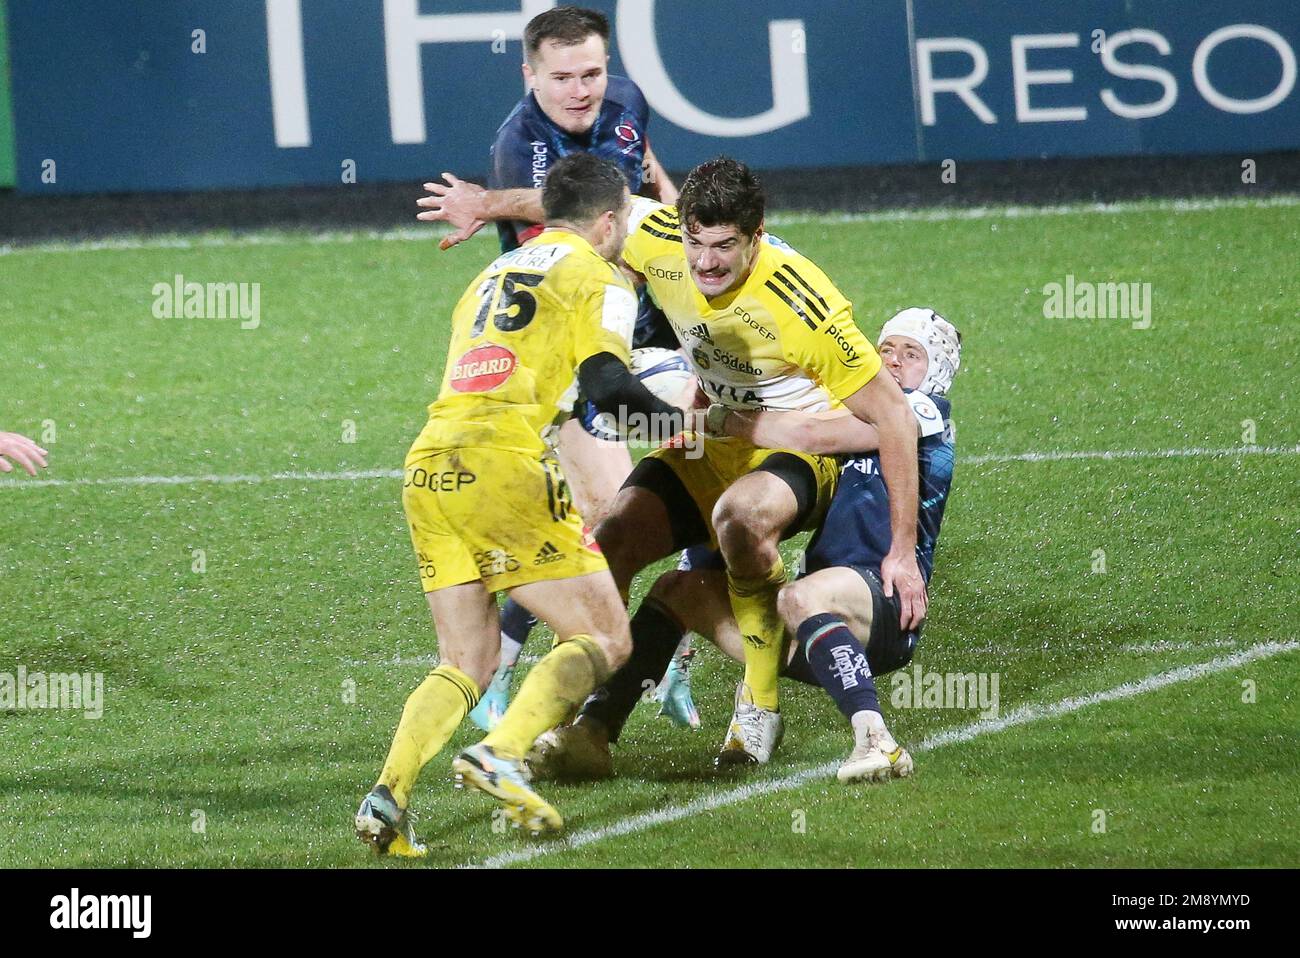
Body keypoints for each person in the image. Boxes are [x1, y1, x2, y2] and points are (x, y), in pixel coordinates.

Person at [531, 157, 927, 775]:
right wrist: (484, 204)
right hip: (714, 436)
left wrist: (901, 553)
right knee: (611, 541)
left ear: (756, 234)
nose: (706, 262)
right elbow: (581, 207)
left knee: (739, 518)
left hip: (797, 453)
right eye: (696, 243)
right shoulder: (657, 237)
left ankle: (758, 712)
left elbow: (896, 419)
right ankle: (575, 728)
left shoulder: (802, 301)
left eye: (724, 246)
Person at [354, 154, 701, 854]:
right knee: (606, 639)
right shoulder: (602, 276)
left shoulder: (487, 275)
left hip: (429, 462)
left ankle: (387, 796)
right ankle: (501, 752)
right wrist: (677, 427)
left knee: (465, 659)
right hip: (504, 465)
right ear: (611, 221)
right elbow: (606, 384)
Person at [414, 6, 691, 731]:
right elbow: (569, 206)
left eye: (592, 72)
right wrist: (489, 202)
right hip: (570, 359)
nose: (581, 90)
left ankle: (668, 663)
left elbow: (639, 177)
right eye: (561, 76)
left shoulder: (627, 99)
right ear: (528, 73)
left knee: (683, 484)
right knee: (612, 511)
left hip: (646, 320)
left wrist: (678, 206)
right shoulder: (517, 147)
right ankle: (518, 670)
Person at [620, 308, 962, 782]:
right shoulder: (863, 406)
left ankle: (876, 740)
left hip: (884, 599)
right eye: (886, 350)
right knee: (680, 590)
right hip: (821, 619)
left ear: (938, 371)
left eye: (912, 354)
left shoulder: (922, 412)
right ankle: (594, 726)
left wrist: (718, 418)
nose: (894, 362)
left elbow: (812, 432)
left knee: (798, 595)